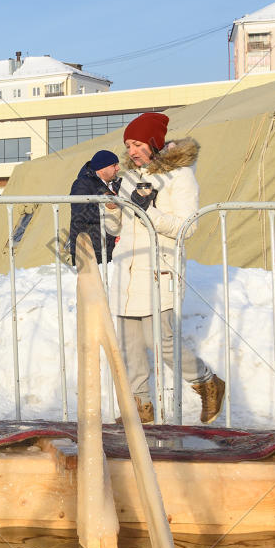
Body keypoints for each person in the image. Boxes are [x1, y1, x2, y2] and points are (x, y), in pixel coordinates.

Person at [102, 111, 225, 424]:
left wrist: (150, 212)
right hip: (128, 272)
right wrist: (113, 209)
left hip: (160, 272)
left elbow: (188, 227)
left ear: (154, 143)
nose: (131, 151)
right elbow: (117, 230)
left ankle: (208, 382)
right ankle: (139, 408)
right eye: (128, 144)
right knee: (129, 346)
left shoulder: (181, 176)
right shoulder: (129, 178)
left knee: (162, 341)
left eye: (137, 143)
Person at [67, 148, 120, 265]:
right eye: (114, 165)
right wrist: (106, 207)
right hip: (91, 249)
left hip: (112, 247)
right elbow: (79, 211)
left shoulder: (117, 184)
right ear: (102, 168)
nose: (118, 168)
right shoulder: (82, 183)